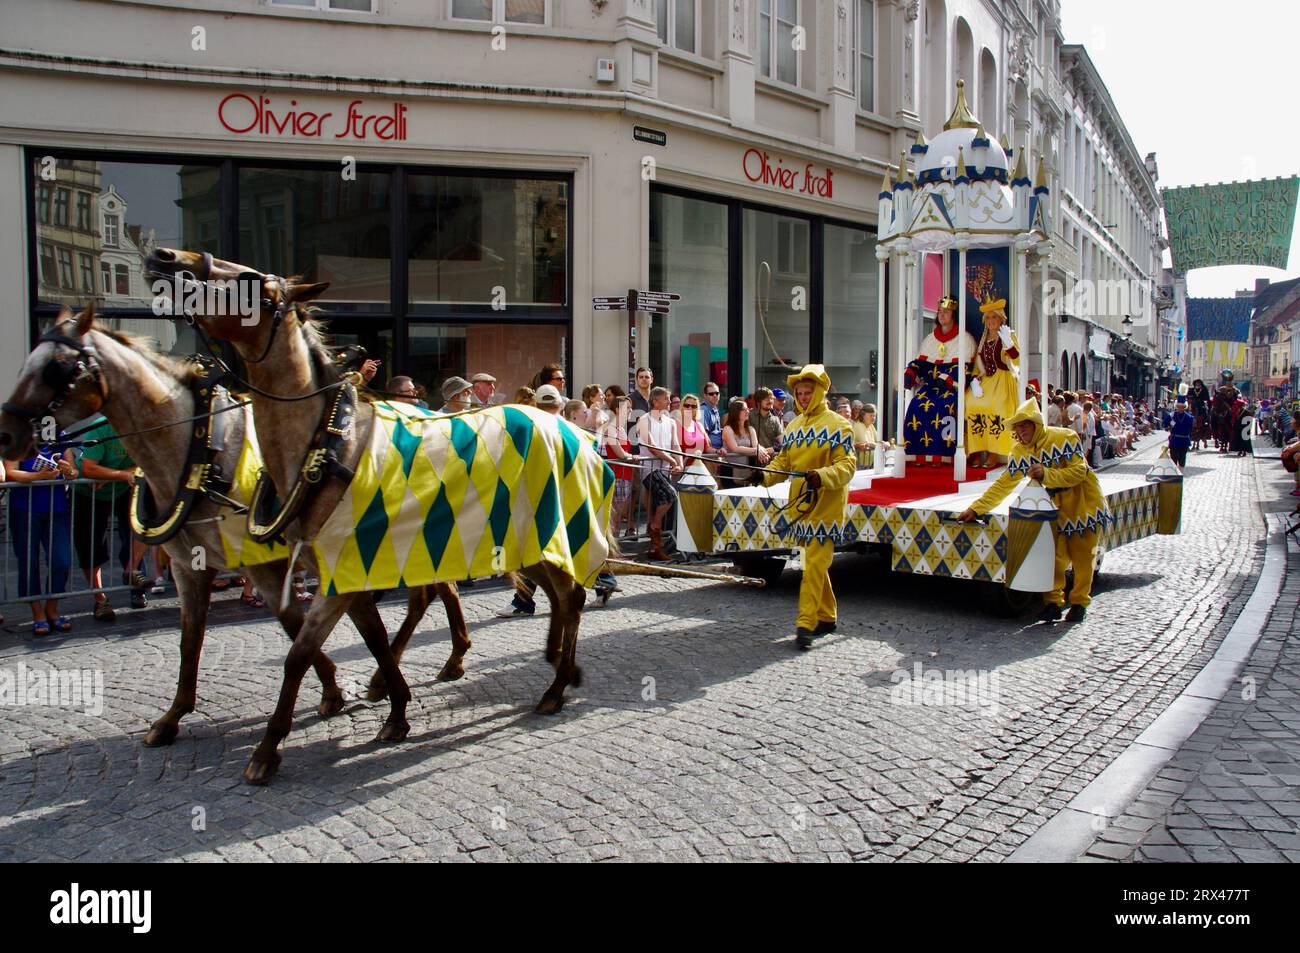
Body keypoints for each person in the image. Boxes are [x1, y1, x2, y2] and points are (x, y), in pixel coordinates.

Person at [958, 398, 1109, 623]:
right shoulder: (1019, 452)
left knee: (1083, 556)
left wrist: (1047, 474)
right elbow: (1004, 483)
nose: (1022, 430)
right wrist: (976, 508)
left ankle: (1078, 602)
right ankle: (1053, 603)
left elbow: (1079, 471)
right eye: (1018, 426)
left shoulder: (1064, 437)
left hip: (1083, 501)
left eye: (1025, 425)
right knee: (1052, 556)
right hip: (1052, 504)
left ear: (1036, 424)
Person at [763, 365, 856, 650]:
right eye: (799, 393)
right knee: (815, 564)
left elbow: (847, 465)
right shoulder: (793, 426)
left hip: (826, 506)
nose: (803, 398)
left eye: (807, 393)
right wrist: (763, 475)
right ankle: (827, 617)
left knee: (813, 565)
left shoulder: (840, 425)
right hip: (802, 506)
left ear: (820, 393)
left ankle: (806, 624)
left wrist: (822, 475)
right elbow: (784, 462)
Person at [72, 416, 150, 618]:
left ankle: (132, 574)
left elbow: (148, 464)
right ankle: (100, 600)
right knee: (91, 547)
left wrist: (113, 475)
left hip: (122, 488)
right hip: (86, 492)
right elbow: (88, 467)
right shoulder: (101, 427)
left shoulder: (142, 425)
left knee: (143, 527)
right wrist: (121, 475)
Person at [6, 450, 76, 635]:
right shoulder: (20, 436)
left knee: (62, 561)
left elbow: (75, 473)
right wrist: (40, 476)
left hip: (57, 508)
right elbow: (10, 472)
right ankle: (37, 613)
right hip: (24, 509)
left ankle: (52, 608)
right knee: (28, 561)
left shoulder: (61, 437)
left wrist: (68, 471)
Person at [903, 295, 977, 465]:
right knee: (915, 405)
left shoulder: (965, 339)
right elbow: (919, 363)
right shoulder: (930, 339)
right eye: (940, 312)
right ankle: (918, 454)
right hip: (930, 387)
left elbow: (965, 369)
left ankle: (943, 453)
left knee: (943, 407)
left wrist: (947, 379)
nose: (942, 315)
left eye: (946, 312)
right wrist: (911, 372)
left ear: (954, 315)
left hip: (952, 389)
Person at [965, 296, 1021, 469]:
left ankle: (993, 452)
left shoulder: (1008, 335)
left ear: (1001, 318)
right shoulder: (983, 339)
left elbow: (1017, 360)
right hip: (987, 380)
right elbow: (979, 366)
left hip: (1003, 380)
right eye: (988, 318)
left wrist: (1010, 344)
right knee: (971, 404)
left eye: (994, 317)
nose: (991, 321)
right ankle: (975, 450)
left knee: (996, 408)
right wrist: (974, 382)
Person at [721, 398, 768, 488]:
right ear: (736, 412)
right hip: (729, 472)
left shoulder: (751, 429)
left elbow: (756, 445)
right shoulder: (728, 429)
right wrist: (756, 450)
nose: (747, 411)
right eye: (744, 409)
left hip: (746, 471)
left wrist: (760, 449)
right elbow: (735, 448)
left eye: (747, 409)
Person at [677, 393, 710, 466]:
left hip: (700, 468)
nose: (690, 408)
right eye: (687, 405)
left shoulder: (699, 425)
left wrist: (718, 451)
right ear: (682, 407)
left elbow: (707, 448)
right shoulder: (675, 425)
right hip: (683, 469)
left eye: (693, 406)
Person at [698, 381, 724, 472]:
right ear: (705, 396)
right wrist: (713, 454)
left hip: (717, 453)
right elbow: (703, 437)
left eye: (717, 393)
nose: (715, 396)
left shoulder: (715, 409)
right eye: (711, 394)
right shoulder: (704, 410)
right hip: (709, 455)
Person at [752, 386, 784, 453]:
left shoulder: (775, 419)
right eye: (767, 399)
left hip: (769, 460)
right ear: (758, 402)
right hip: (749, 460)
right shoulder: (748, 415)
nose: (770, 401)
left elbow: (782, 440)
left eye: (771, 399)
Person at [1168, 398, 1193, 468]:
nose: (1180, 408)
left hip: (1183, 440)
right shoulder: (1172, 415)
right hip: (1174, 440)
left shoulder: (1189, 417)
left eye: (1182, 407)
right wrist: (1168, 425)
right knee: (1173, 459)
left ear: (1184, 407)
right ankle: (1174, 474)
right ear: (1177, 407)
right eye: (1179, 407)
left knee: (1182, 459)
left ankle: (1181, 473)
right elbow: (1166, 424)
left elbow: (1190, 428)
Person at [852, 404, 878, 469]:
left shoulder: (871, 426)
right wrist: (880, 445)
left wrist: (885, 443)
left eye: (874, 415)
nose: (873, 418)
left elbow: (878, 441)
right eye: (871, 415)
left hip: (869, 464)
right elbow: (866, 443)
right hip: (860, 466)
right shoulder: (859, 426)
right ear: (863, 415)